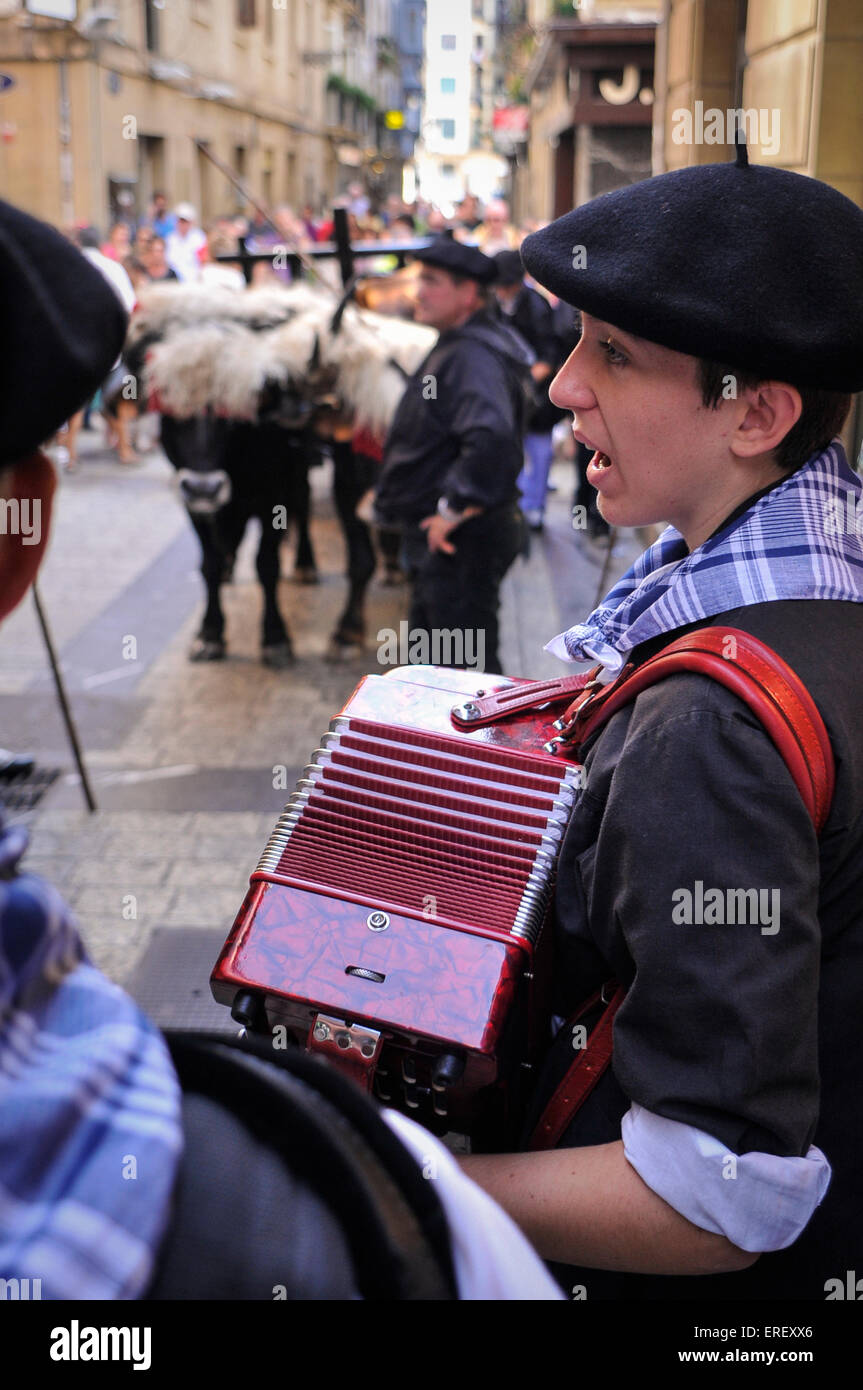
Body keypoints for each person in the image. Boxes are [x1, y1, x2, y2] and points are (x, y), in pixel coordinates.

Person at [0, 196, 562, 1301]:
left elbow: (490, 444)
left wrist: (444, 507)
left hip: (452, 556)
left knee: (460, 662)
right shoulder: (373, 1215)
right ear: (23, 544)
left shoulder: (469, 357)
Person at [458, 143, 863, 1300]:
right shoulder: (817, 592)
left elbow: (716, 1199)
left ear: (756, 414)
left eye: (614, 353)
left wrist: (415, 1172)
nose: (559, 386)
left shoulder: (709, 725)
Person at [374, 237, 533, 675]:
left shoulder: (469, 353)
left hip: (459, 545)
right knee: (434, 669)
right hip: (449, 545)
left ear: (468, 294)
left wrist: (454, 507)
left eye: (431, 281)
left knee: (462, 678)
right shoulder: (463, 341)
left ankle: (478, 745)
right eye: (417, 279)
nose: (418, 292)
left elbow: (493, 437)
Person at [492, 249, 562, 531]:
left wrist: (524, 381)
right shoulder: (492, 306)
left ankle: (534, 507)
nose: (502, 290)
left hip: (536, 399)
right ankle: (514, 505)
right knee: (510, 453)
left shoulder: (537, 307)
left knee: (540, 452)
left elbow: (548, 356)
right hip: (504, 396)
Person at [165, 202, 207, 282]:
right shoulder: (170, 239)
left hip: (195, 281)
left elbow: (203, 260)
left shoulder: (199, 237)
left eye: (185, 221)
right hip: (174, 282)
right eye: (180, 221)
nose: (182, 224)